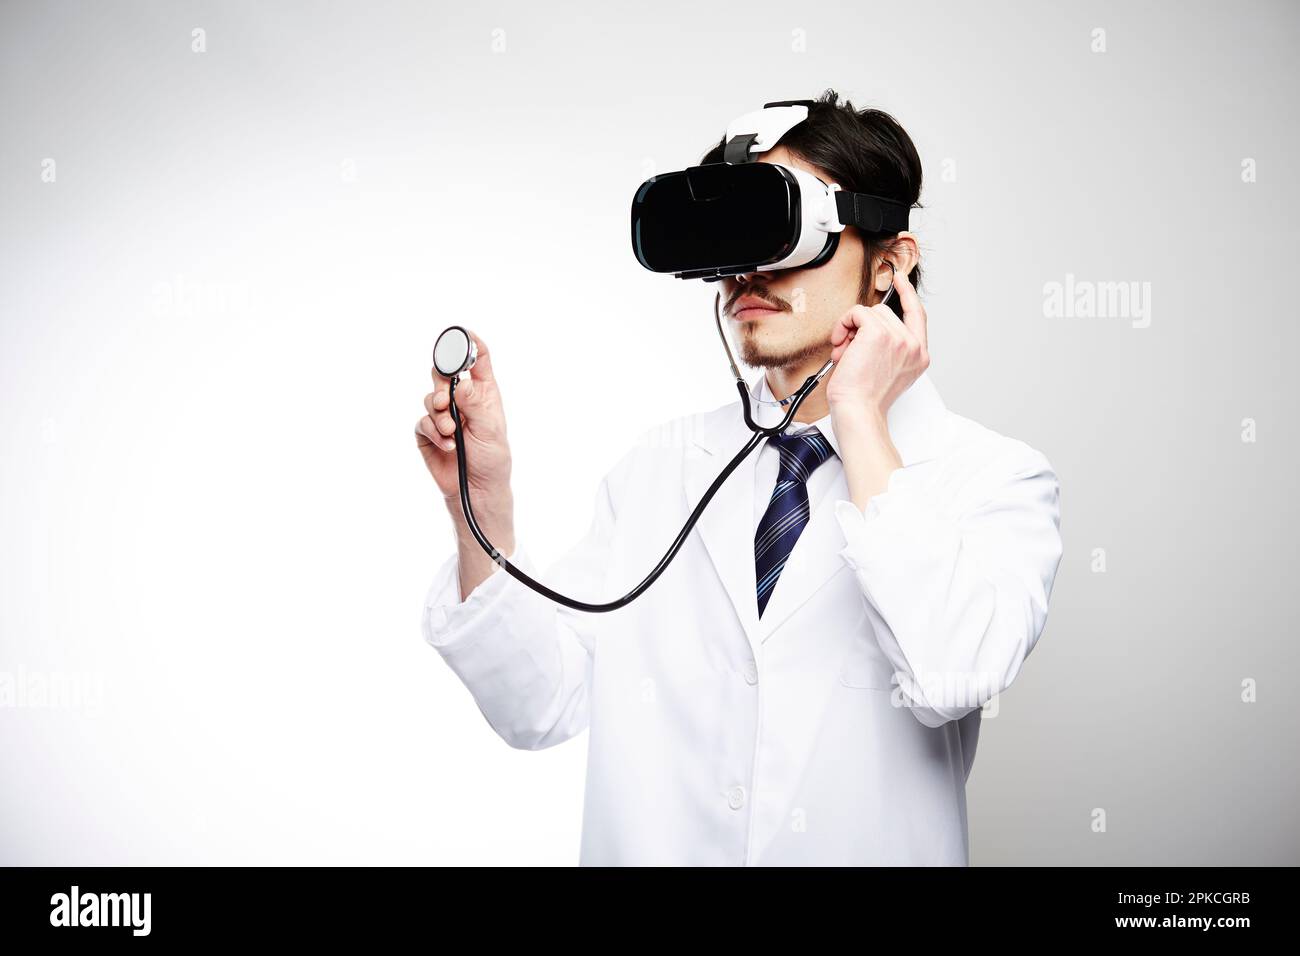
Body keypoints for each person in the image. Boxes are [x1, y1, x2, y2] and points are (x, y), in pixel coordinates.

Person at [414, 90, 1063, 866]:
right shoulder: (657, 470)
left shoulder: (994, 479)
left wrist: (858, 413)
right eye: (732, 235)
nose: (746, 272)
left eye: (778, 228)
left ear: (889, 265)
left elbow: (953, 673)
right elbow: (536, 705)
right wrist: (478, 511)